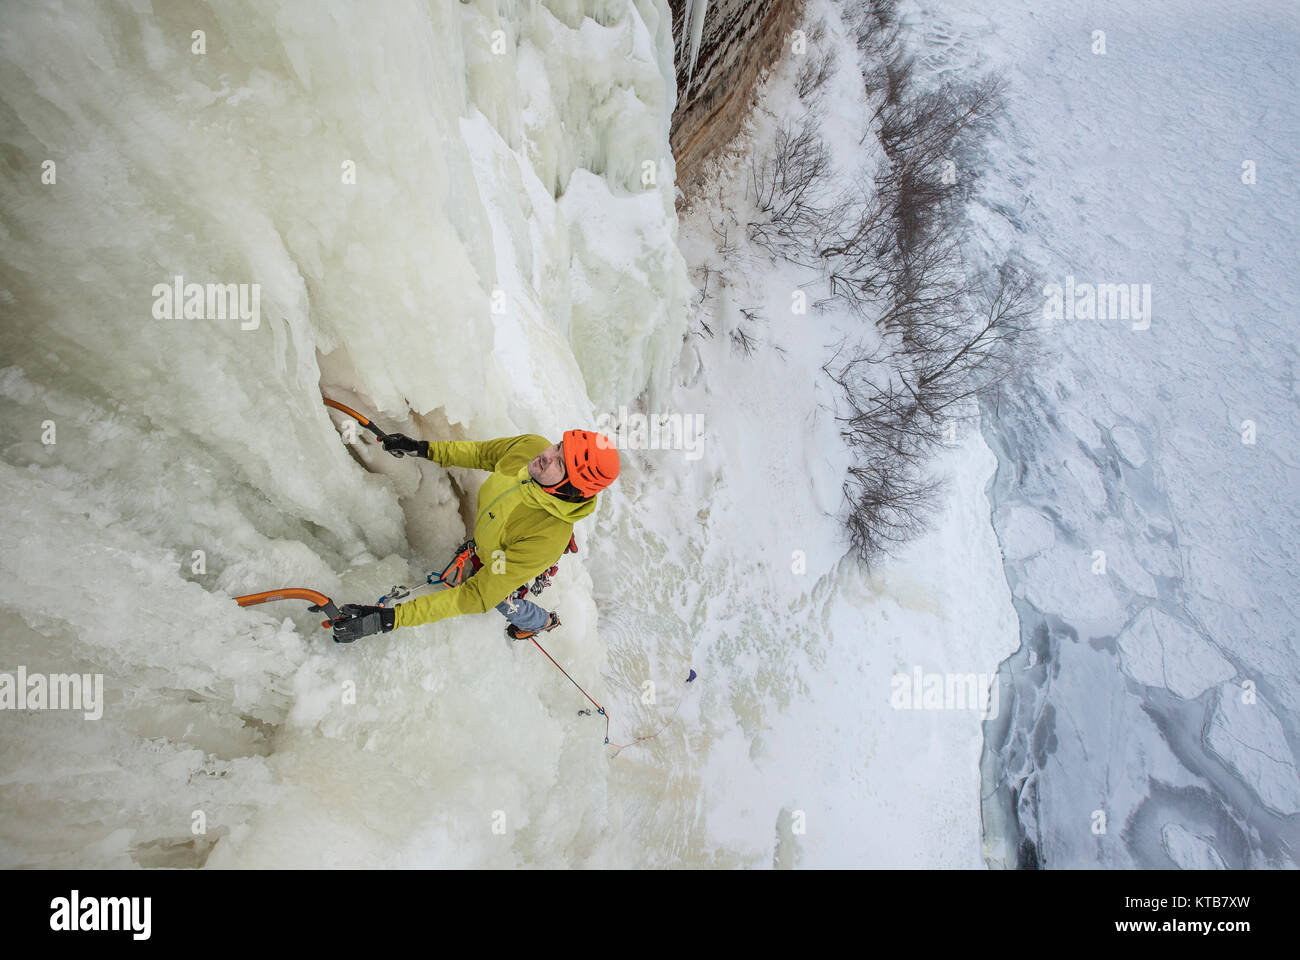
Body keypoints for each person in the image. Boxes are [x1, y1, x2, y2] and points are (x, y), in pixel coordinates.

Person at [330, 431, 619, 643]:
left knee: (502, 602)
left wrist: (388, 619)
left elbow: (476, 595)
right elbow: (481, 454)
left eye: (561, 464)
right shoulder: (531, 447)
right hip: (488, 540)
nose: (546, 456)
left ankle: (541, 622)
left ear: (569, 489)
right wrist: (419, 448)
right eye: (558, 447)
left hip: (507, 563)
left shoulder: (546, 537)